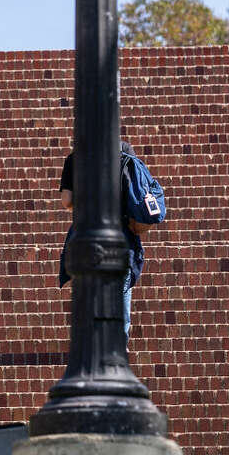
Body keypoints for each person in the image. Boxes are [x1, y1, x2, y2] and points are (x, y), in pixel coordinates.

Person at [59, 140, 165, 331]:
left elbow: (67, 201)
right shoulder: (125, 152)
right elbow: (138, 193)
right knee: (119, 313)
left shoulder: (76, 157)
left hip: (86, 240)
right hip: (122, 240)